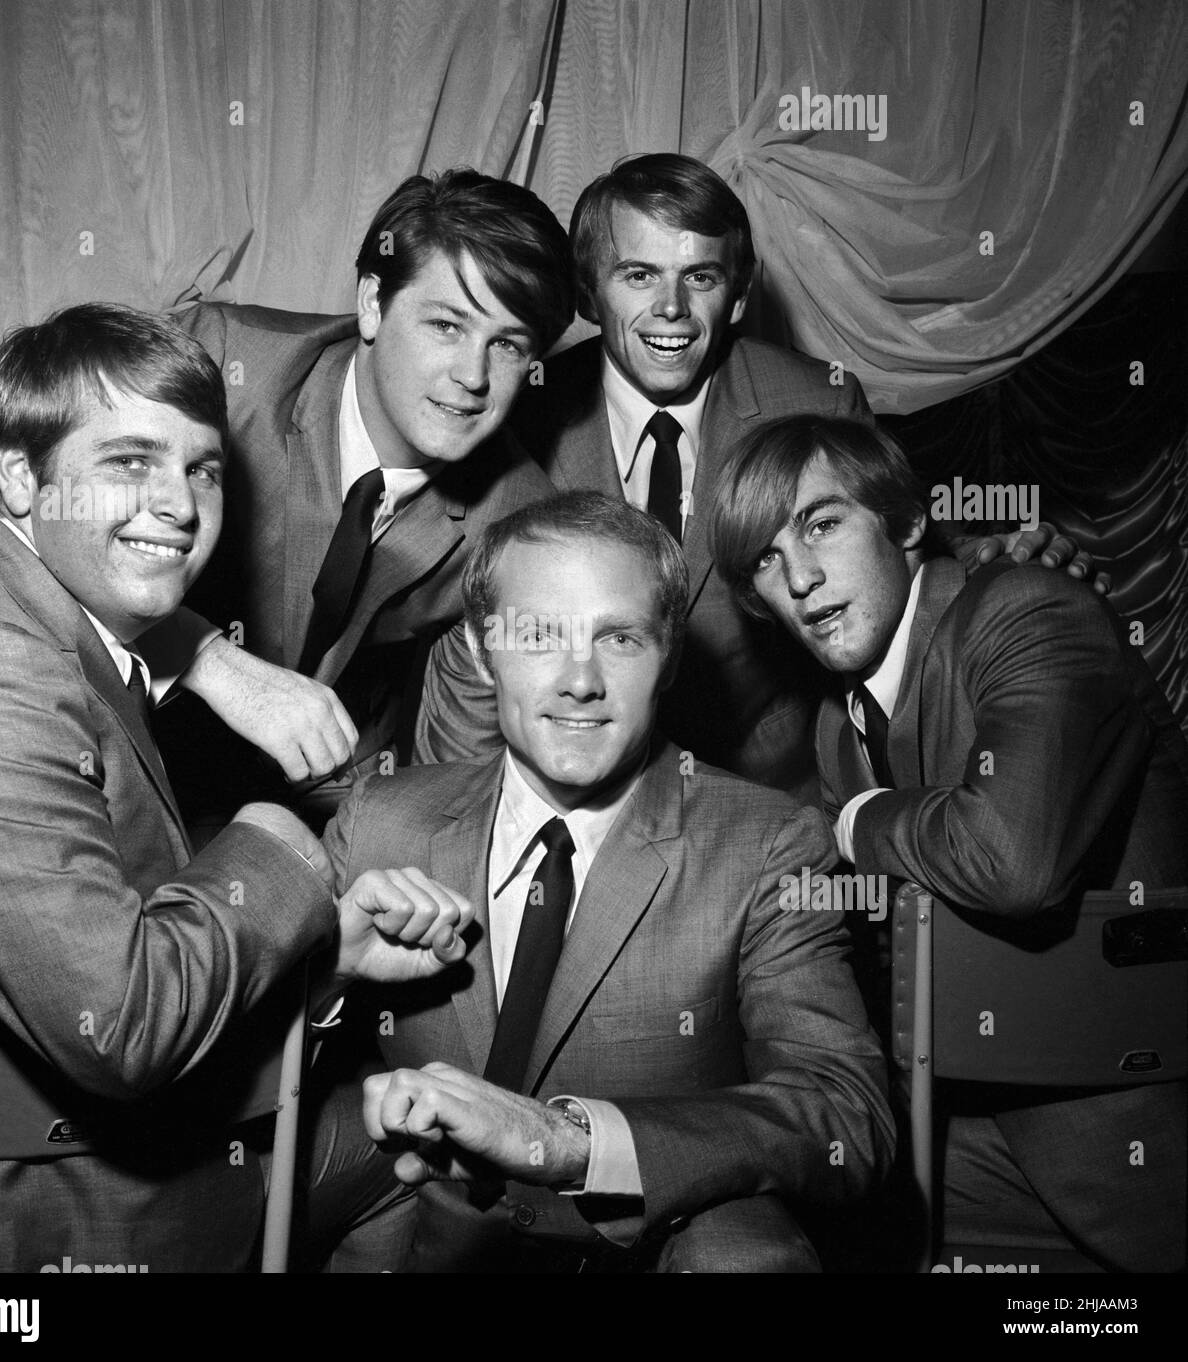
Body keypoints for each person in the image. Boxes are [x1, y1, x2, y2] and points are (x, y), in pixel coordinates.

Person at [0, 303, 472, 1272]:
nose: (180, 504)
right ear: (21, 481)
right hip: (25, 1209)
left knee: (421, 1157)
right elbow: (119, 1028)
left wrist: (322, 956)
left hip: (81, 1153)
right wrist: (281, 850)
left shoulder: (51, 620)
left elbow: (101, 937)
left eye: (200, 468)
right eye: (128, 463)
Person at [417, 153, 1101, 796]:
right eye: (639, 275)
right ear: (591, 294)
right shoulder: (516, 407)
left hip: (766, 800)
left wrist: (995, 565)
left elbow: (892, 547)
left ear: (738, 296)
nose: (672, 308)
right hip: (560, 790)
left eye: (701, 277)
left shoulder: (816, 399)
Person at [336, 491, 895, 1272]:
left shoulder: (766, 846)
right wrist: (326, 973)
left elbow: (846, 1116)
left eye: (621, 638)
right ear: (478, 646)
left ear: (668, 656)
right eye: (538, 636)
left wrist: (570, 1145)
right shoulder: (381, 821)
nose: (580, 681)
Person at [0, 169, 575, 830]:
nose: (471, 376)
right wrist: (202, 655)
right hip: (98, 760)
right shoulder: (220, 363)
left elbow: (454, 769)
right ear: (374, 303)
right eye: (445, 325)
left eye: (506, 345)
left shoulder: (520, 520)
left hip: (310, 798)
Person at [710, 414, 1188, 1272]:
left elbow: (1012, 864)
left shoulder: (1025, 606)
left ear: (903, 520)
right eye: (767, 561)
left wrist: (855, 822)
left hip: (1126, 1153)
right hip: (948, 1147)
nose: (803, 579)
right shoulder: (834, 722)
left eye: (822, 524)